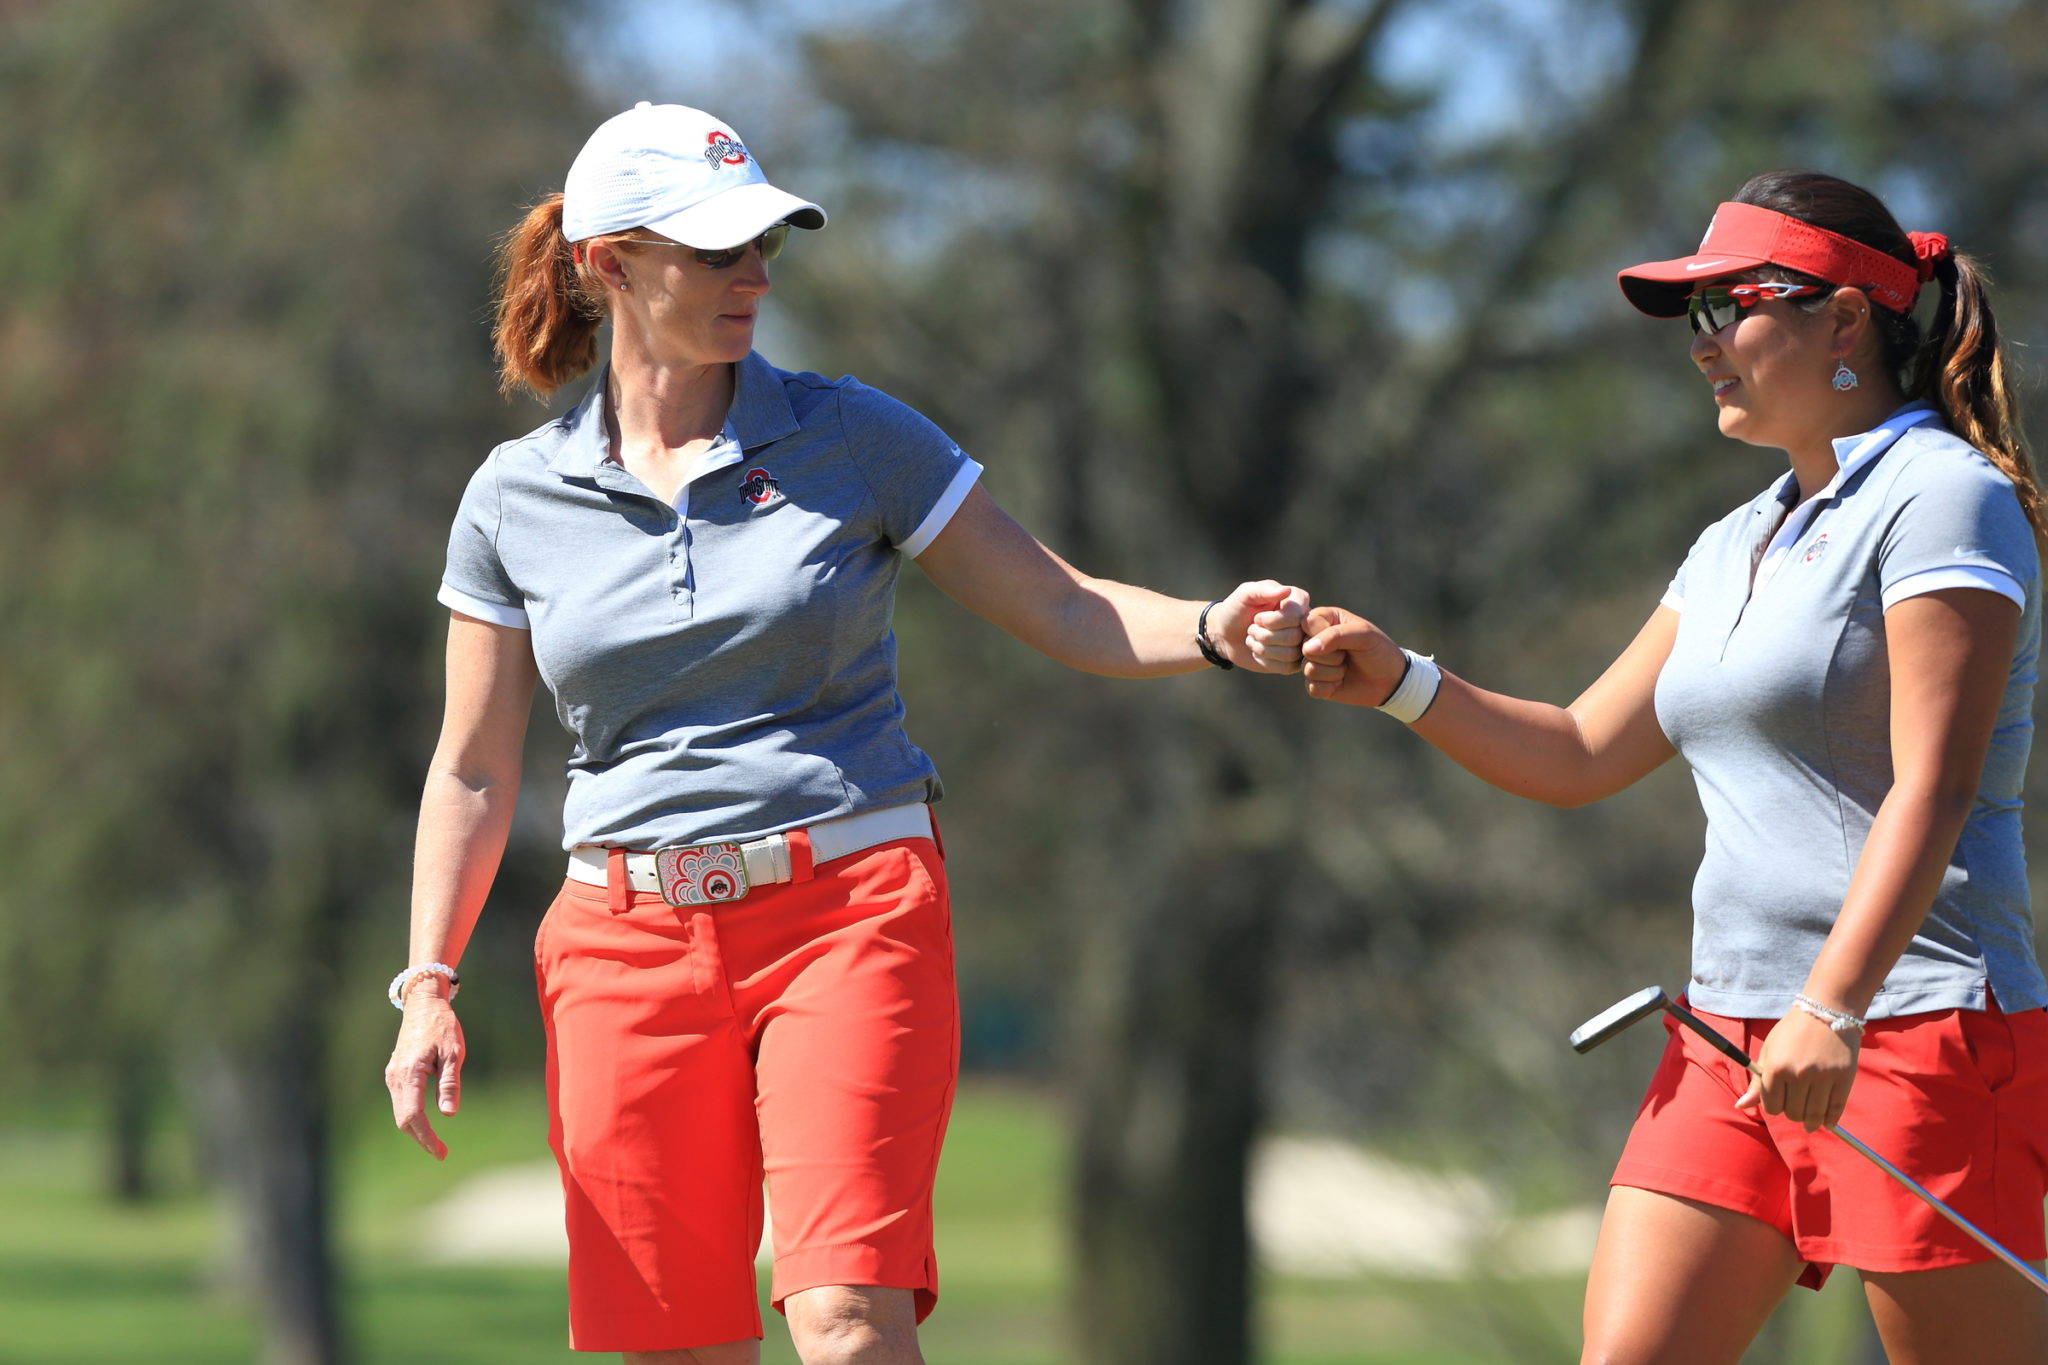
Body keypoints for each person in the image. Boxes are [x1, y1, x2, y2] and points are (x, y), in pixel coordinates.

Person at [380, 102, 1308, 1365]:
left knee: (847, 1320)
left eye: (763, 247)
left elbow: (1057, 600)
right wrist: (426, 981)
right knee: (665, 1346)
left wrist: (1209, 626)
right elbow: (475, 770)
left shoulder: (851, 435)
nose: (752, 277)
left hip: (846, 913)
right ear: (607, 262)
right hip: (620, 947)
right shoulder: (513, 497)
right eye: (714, 253)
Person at [1286, 170, 2048, 1364]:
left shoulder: (1943, 499)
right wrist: (1401, 682)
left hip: (1915, 1028)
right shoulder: (1731, 539)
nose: (1701, 348)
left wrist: (1829, 1004)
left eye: (1725, 310)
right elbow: (1581, 749)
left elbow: (1934, 788)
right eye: (1690, 320)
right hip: (1729, 1036)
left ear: (1843, 318)